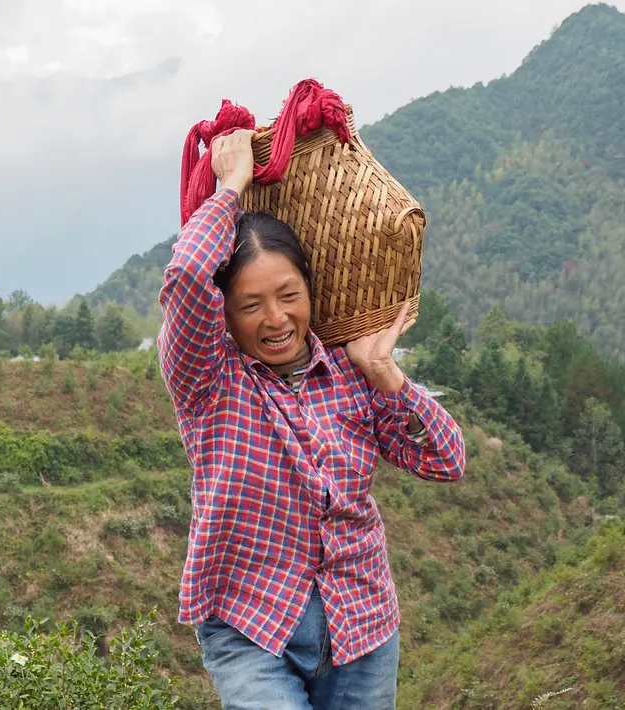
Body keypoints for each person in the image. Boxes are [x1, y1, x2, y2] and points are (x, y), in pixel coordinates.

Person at [157, 128, 466, 710]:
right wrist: (230, 187)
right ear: (224, 312)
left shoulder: (352, 374)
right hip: (252, 629)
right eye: (250, 305)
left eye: (288, 295)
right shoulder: (207, 379)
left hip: (362, 626)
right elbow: (185, 279)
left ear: (310, 290)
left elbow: (447, 460)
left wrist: (390, 379)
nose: (275, 319)